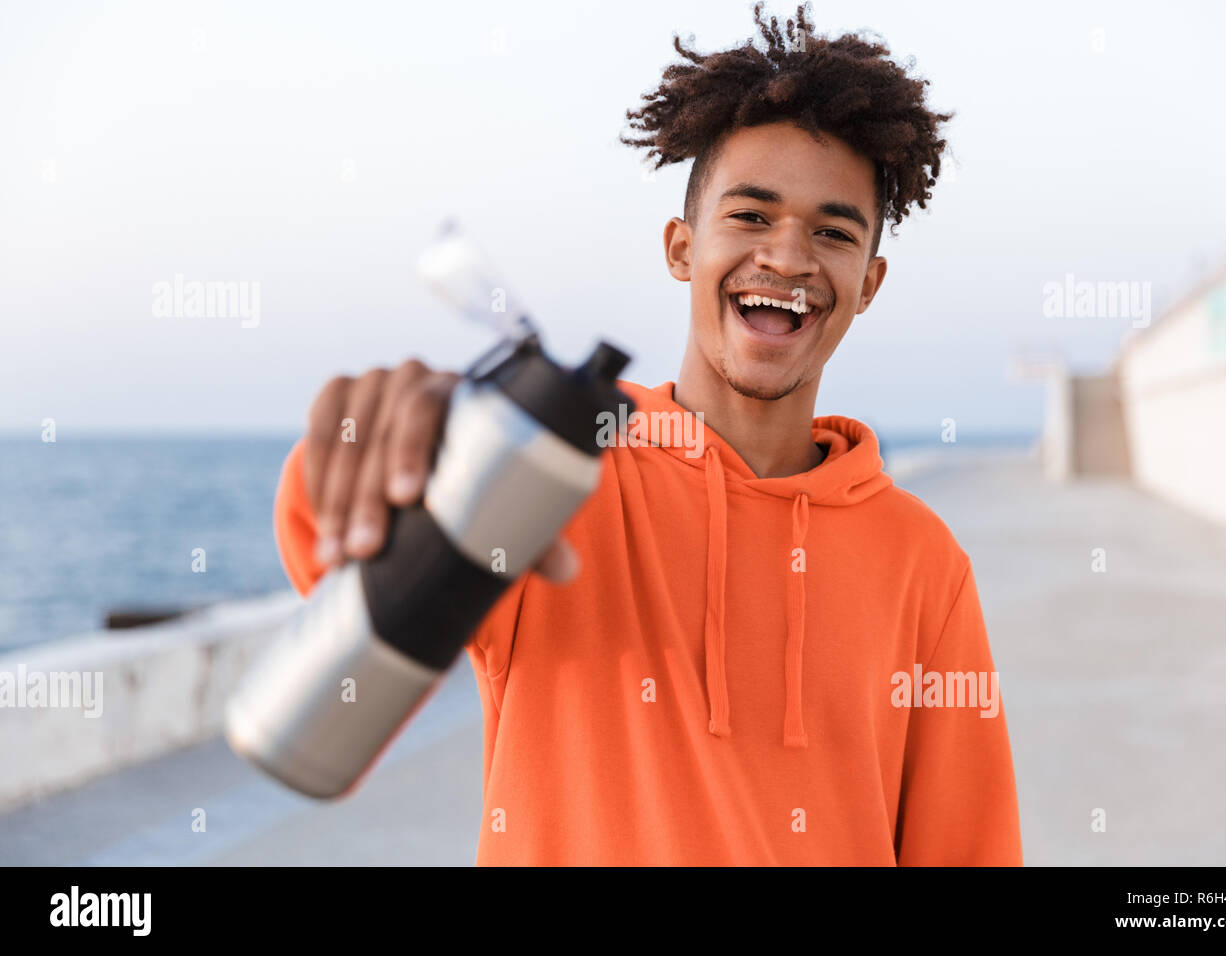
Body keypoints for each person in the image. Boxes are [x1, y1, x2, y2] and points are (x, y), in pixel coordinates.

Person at [271, 3, 1022, 865]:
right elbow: (348, 553)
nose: (787, 257)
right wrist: (369, 449)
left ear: (869, 281)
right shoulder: (556, 475)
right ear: (680, 246)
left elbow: (965, 848)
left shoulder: (924, 563)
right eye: (750, 215)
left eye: (832, 231)